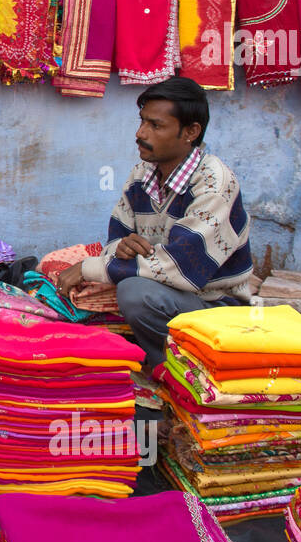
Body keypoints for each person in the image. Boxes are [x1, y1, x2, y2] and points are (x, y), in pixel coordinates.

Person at [55, 77, 253, 367]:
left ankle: (172, 371)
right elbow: (113, 242)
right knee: (60, 269)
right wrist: (122, 248)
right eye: (142, 121)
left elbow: (183, 267)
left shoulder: (214, 184)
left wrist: (91, 268)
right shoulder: (143, 173)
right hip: (169, 292)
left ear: (190, 132)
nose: (140, 133)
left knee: (134, 292)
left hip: (216, 305)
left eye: (155, 125)